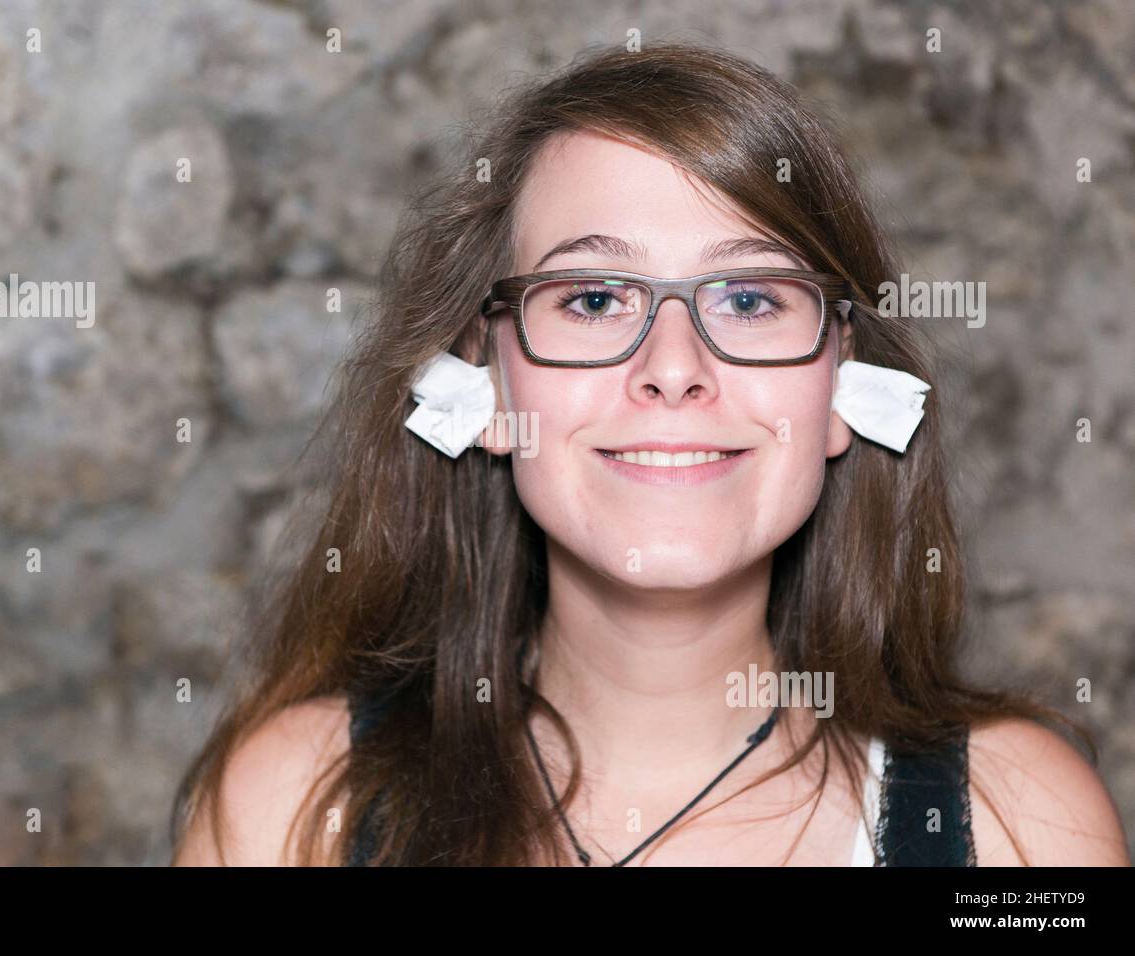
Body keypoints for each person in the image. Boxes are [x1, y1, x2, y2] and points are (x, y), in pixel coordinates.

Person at [170, 42, 1129, 867]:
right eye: (594, 299)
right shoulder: (296, 811)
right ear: (484, 390)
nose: (675, 369)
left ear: (844, 389)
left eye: (749, 301)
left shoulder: (1017, 829)